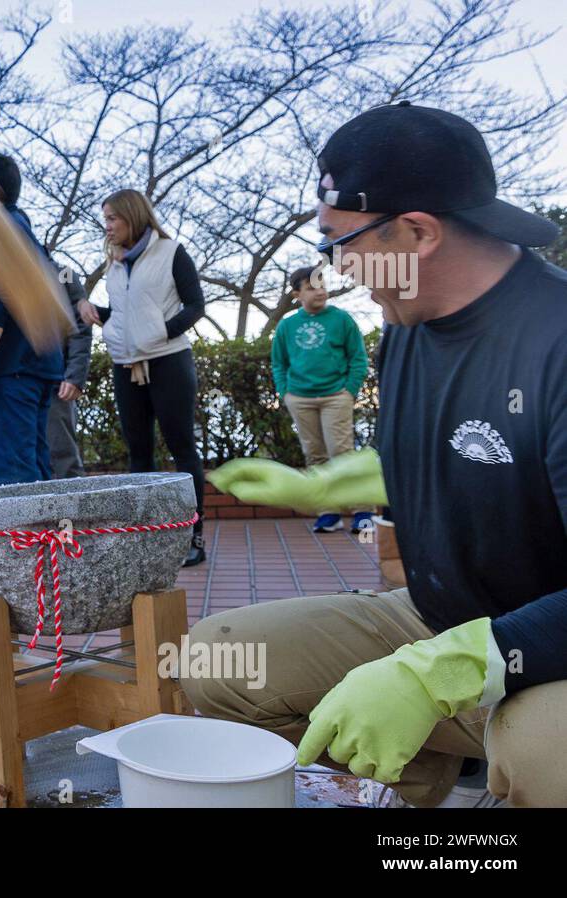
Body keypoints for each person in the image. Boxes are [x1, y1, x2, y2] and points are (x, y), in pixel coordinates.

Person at [199, 102, 566, 807]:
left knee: (540, 746)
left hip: (544, 655)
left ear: (418, 232)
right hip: (442, 619)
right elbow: (469, 457)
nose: (334, 270)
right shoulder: (408, 327)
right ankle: (420, 789)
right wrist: (328, 484)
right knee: (218, 658)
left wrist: (435, 674)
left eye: (342, 242)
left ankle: (504, 764)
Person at [77, 189, 207, 566]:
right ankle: (146, 536)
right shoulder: (115, 264)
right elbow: (123, 313)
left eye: (112, 218)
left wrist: (159, 333)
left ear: (133, 216)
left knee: (182, 448)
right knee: (139, 454)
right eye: (105, 220)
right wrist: (92, 309)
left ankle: (194, 534)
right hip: (125, 365)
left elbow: (196, 305)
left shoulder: (171, 252)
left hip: (168, 361)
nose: (107, 227)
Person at [0, 151, 64, 486]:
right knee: (31, 471)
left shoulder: (0, 226)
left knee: (12, 478)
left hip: (9, 371)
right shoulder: (20, 225)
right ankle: (45, 540)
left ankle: (24, 541)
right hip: (29, 369)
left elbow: (0, 293)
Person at [271, 264, 371, 533]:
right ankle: (329, 513)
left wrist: (349, 391)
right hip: (300, 398)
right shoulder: (287, 325)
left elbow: (358, 358)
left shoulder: (342, 319)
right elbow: (278, 363)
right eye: (312, 288)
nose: (320, 292)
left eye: (323, 285)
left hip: (336, 396)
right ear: (297, 294)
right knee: (314, 456)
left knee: (342, 454)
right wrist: (286, 393)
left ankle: (363, 511)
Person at [48, 268, 92, 479]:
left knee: (63, 456)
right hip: (11, 382)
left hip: (55, 380)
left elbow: (80, 325)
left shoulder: (63, 274)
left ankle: (77, 511)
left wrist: (74, 375)